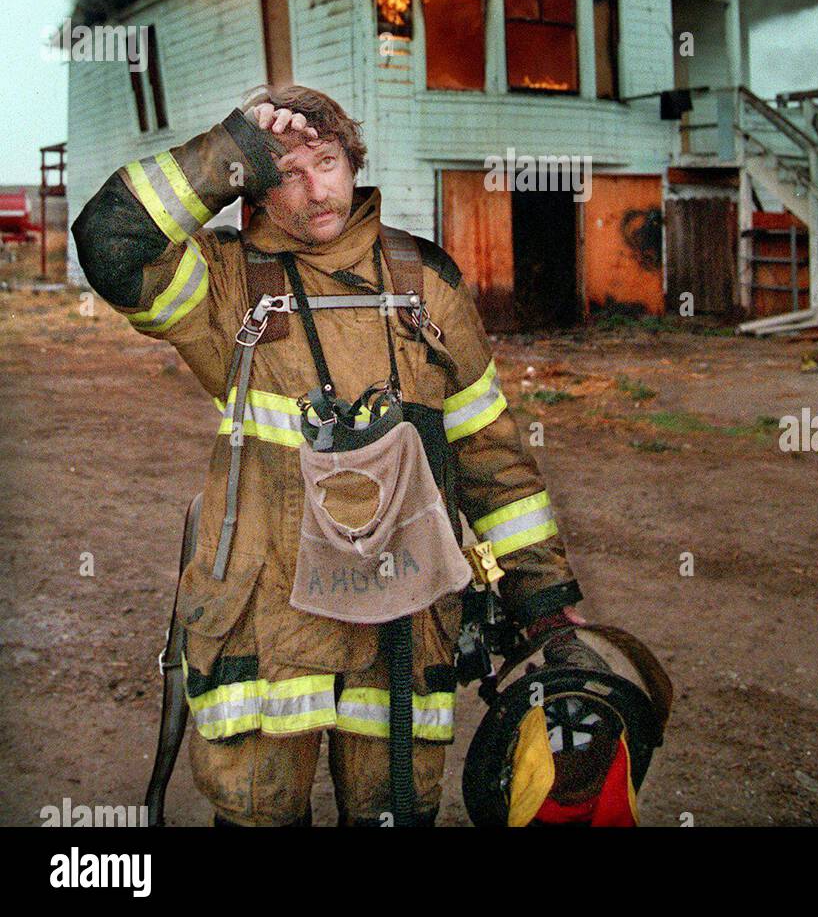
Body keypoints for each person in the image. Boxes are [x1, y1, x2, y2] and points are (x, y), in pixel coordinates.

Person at [72, 83, 588, 827]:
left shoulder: (425, 283)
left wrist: (544, 601)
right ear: (253, 186)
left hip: (403, 621)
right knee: (260, 813)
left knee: (393, 812)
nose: (318, 191)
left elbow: (488, 451)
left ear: (354, 161)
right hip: (266, 616)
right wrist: (233, 146)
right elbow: (111, 242)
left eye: (328, 162)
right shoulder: (219, 283)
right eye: (286, 172)